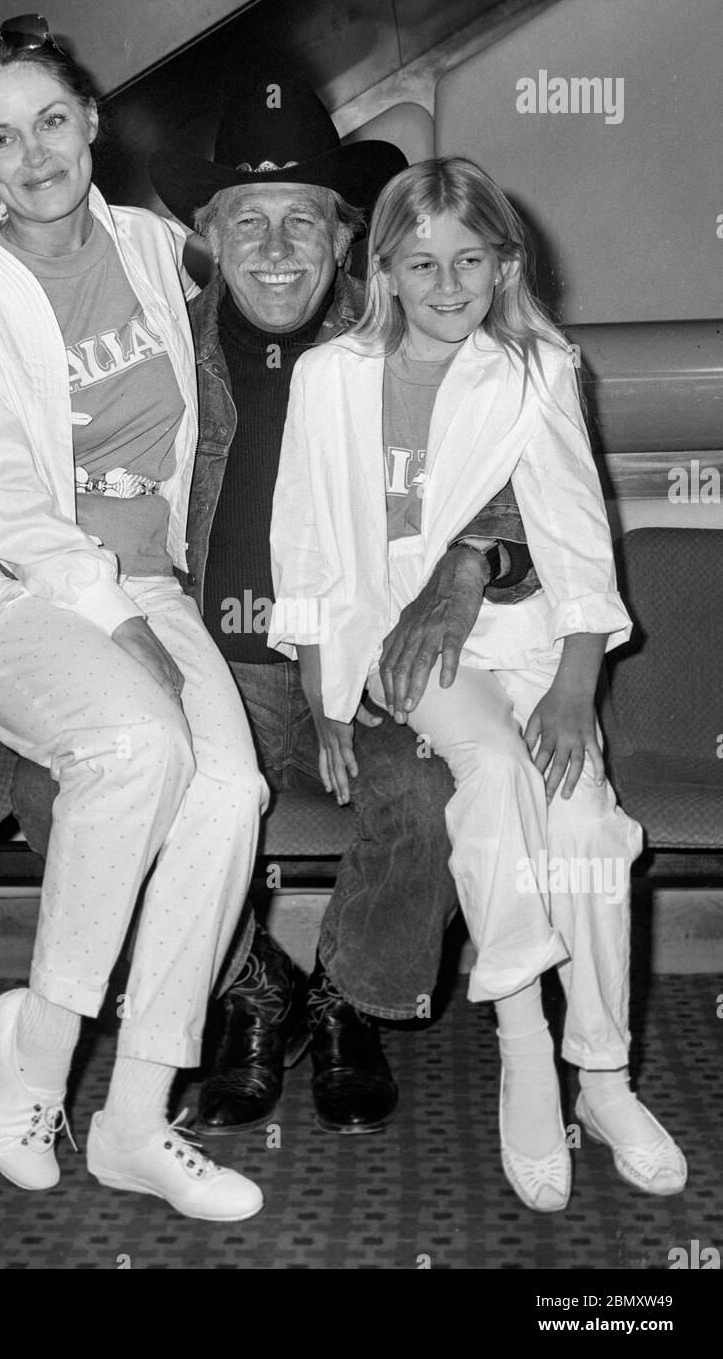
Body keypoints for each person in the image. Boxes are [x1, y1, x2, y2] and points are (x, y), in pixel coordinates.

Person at [0, 80, 538, 1137]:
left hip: (351, 670)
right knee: (63, 803)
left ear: (343, 234)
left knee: (425, 793)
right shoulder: (158, 340)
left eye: (304, 220)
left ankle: (349, 996)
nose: (276, 247)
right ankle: (252, 983)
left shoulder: (407, 346)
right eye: (247, 222)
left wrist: (468, 562)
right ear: (209, 238)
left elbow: (512, 469)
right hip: (190, 655)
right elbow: (20, 429)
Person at [0, 16, 269, 1222]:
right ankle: (38, 1053)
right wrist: (113, 616)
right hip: (12, 589)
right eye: (0, 138)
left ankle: (135, 1119)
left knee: (228, 790)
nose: (33, 154)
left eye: (50, 121)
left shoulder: (156, 249)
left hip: (147, 579)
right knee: (136, 744)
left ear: (91, 119)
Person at [268, 157, 687, 1209]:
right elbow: (307, 545)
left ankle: (604, 1075)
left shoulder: (536, 364)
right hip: (410, 649)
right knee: (491, 778)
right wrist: (325, 697)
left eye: (469, 259)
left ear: (503, 262)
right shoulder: (330, 377)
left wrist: (574, 687)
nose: (446, 284)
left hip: (532, 637)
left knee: (588, 826)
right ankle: (525, 1049)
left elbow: (575, 535)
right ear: (386, 270)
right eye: (421, 262)